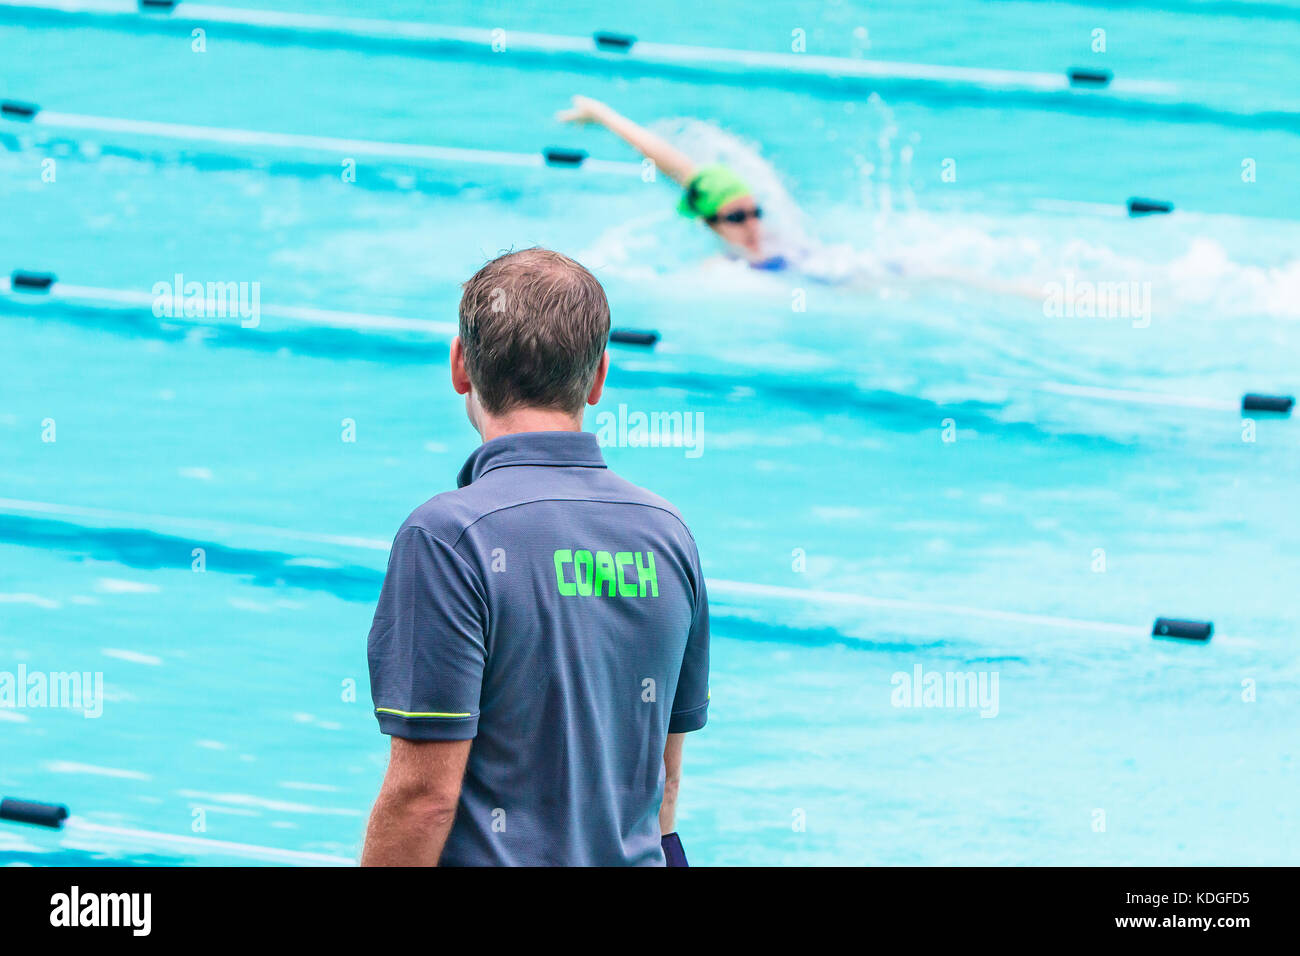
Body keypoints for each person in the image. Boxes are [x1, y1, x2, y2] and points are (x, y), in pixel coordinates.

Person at [360, 247, 710, 866]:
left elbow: (424, 798)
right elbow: (664, 784)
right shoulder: (668, 535)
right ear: (599, 376)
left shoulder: (447, 538)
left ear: (460, 365)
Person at [558, 94, 787, 270]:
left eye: (756, 213)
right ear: (708, 223)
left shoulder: (784, 246)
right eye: (736, 218)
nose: (752, 226)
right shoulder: (719, 270)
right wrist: (603, 116)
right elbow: (679, 169)